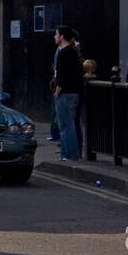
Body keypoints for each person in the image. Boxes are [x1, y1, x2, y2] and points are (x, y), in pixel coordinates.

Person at [53, 26, 83, 161]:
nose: (55, 37)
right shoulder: (70, 52)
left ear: (62, 36)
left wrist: (57, 90)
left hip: (66, 93)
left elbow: (63, 74)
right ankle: (65, 155)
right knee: (66, 125)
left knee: (66, 126)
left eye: (56, 34)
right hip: (72, 92)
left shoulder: (65, 53)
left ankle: (71, 155)